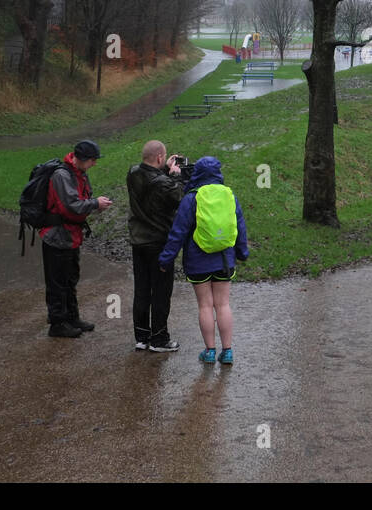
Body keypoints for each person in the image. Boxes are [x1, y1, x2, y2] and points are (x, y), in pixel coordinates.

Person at [159, 156, 249, 365]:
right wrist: (242, 252)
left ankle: (209, 351)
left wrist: (166, 259)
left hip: (198, 261)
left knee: (205, 306)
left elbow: (178, 232)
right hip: (224, 260)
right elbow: (240, 226)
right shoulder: (229, 196)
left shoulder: (191, 198)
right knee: (223, 304)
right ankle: (227, 351)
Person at [41, 139, 112, 338]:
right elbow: (71, 206)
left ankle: (72, 317)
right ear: (81, 159)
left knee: (71, 278)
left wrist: (95, 204)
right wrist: (94, 204)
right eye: (92, 160)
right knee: (57, 282)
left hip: (71, 235)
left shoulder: (79, 174)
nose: (94, 163)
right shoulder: (62, 176)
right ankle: (57, 323)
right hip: (56, 237)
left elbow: (82, 202)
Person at [126, 140, 186, 352]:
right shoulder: (164, 183)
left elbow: (153, 180)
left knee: (142, 290)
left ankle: (142, 337)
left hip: (138, 241)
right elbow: (177, 196)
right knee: (160, 291)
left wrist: (165, 170)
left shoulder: (133, 173)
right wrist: (176, 175)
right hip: (158, 242)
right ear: (160, 158)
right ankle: (160, 339)